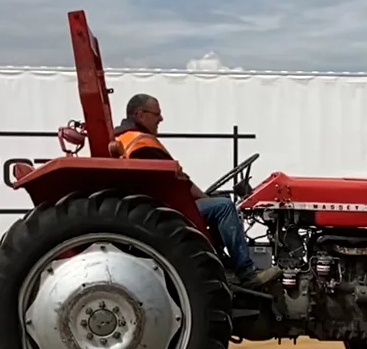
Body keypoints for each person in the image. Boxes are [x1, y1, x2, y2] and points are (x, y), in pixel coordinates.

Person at [113, 93, 278, 287]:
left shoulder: (124, 138)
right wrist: (205, 197)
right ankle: (247, 273)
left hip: (152, 206)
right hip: (163, 210)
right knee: (224, 206)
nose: (161, 119)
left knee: (218, 201)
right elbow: (179, 182)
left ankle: (222, 262)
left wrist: (207, 196)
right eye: (157, 114)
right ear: (140, 114)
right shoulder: (141, 143)